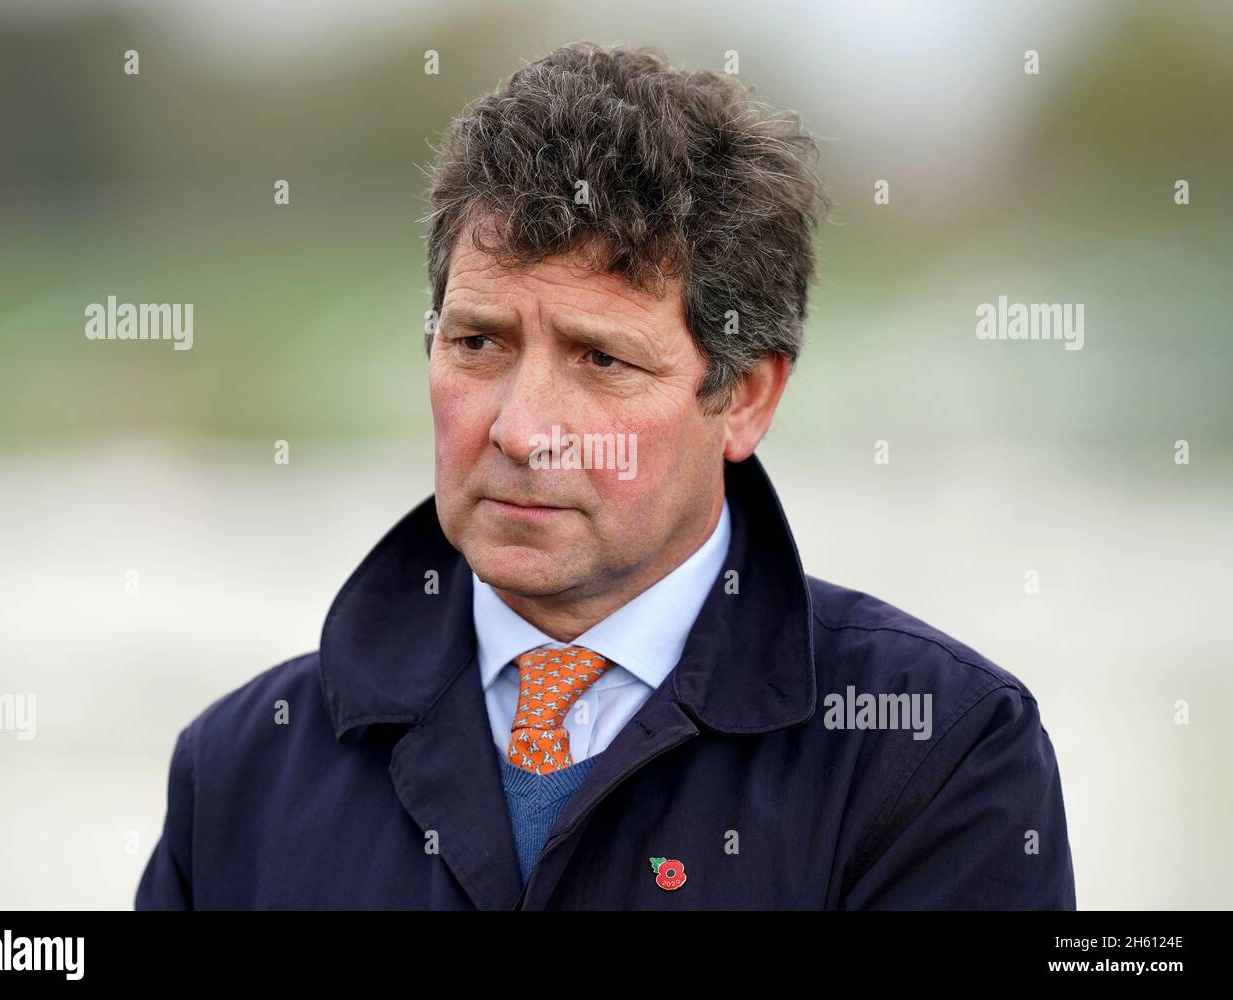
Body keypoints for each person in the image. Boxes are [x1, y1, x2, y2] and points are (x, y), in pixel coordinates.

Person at [136, 41, 1074, 910]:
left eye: (601, 360)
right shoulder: (238, 773)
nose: (521, 429)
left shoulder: (938, 755)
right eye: (477, 343)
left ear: (744, 397)